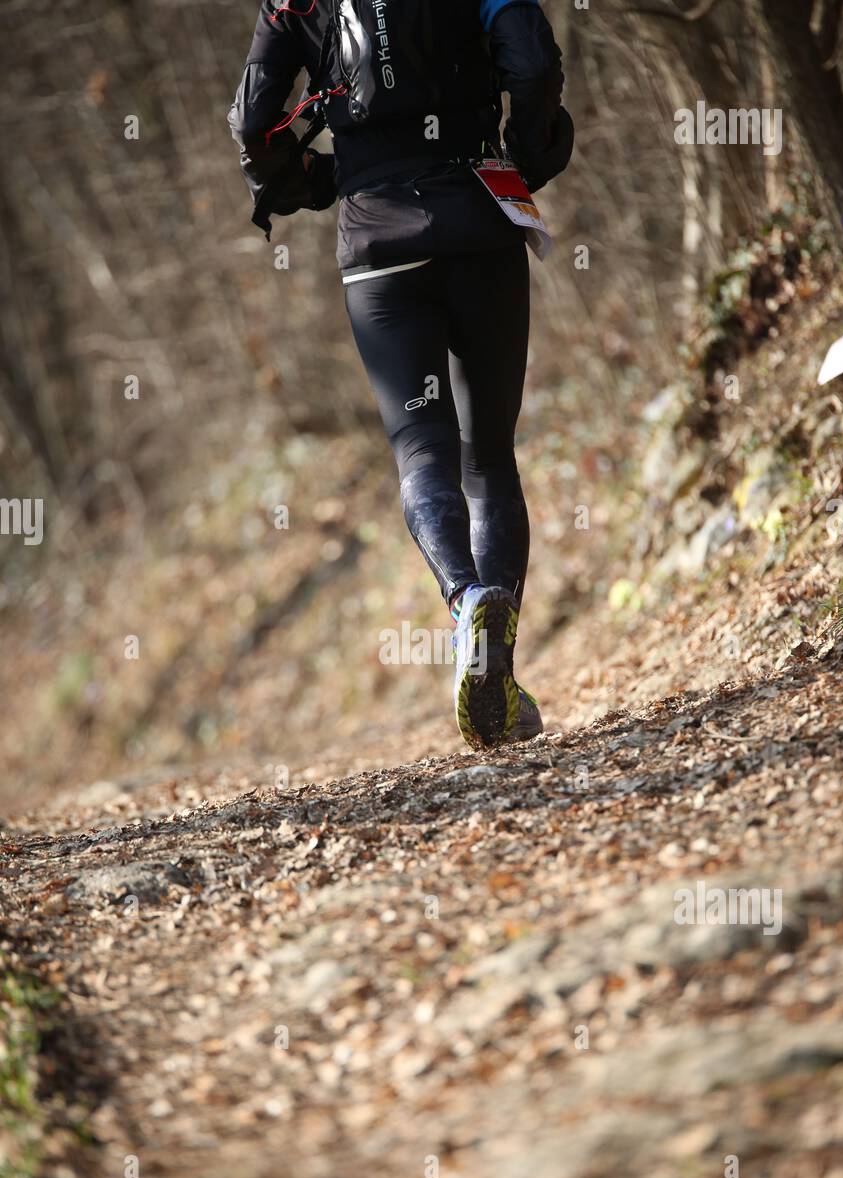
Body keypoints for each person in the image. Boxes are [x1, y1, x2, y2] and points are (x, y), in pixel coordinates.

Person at [229, 0, 573, 748]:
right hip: (480, 218)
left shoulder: (293, 5)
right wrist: (530, 145)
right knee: (487, 458)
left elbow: (253, 127)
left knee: (422, 450)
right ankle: (497, 677)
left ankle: (465, 598)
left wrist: (314, 179)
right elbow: (535, 64)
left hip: (378, 245)